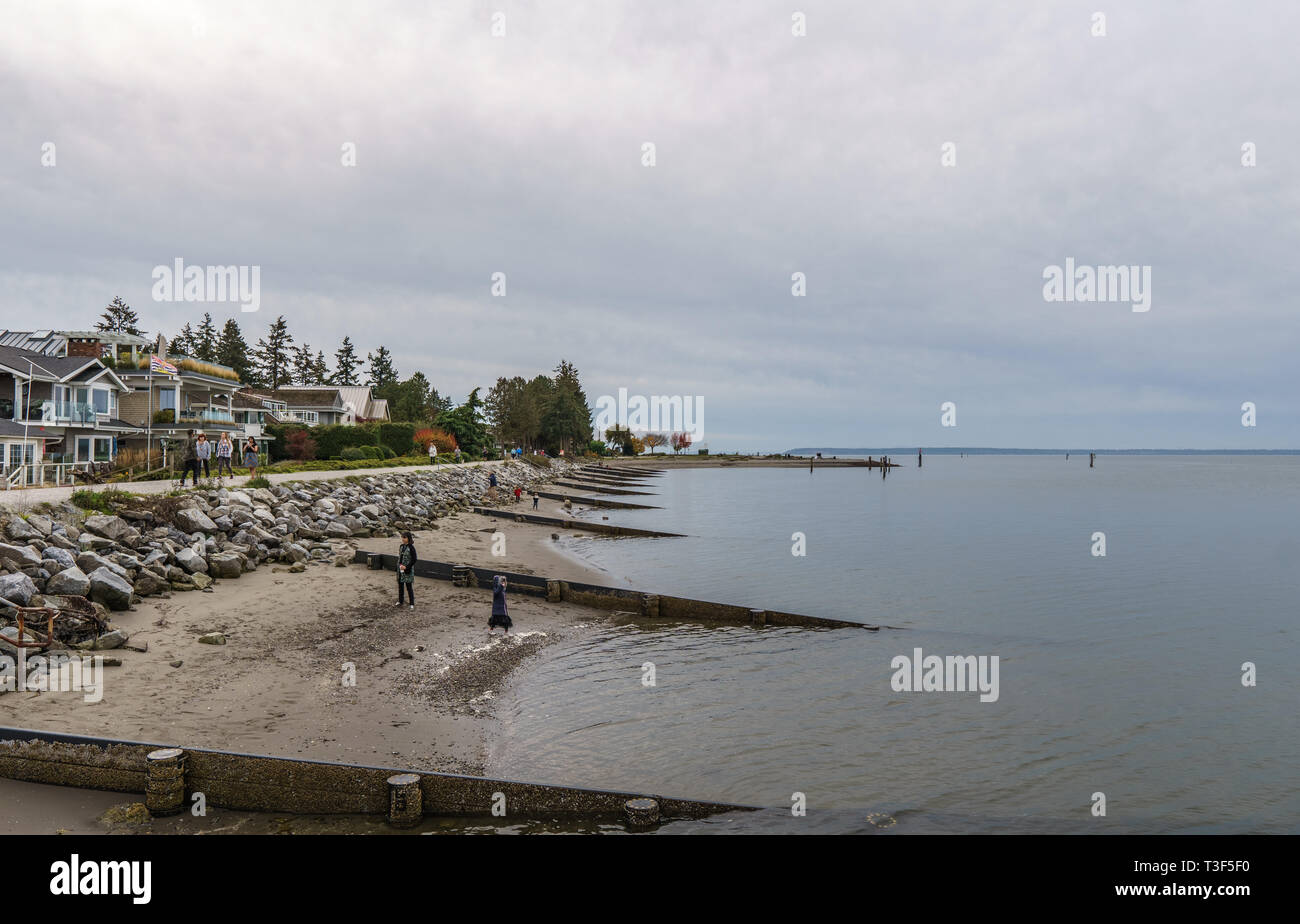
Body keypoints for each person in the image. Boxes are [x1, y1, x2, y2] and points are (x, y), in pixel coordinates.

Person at [396, 532, 416, 608]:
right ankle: (400, 601)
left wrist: (406, 567)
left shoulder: (411, 547)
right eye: (402, 537)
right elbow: (400, 557)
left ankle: (412, 603)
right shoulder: (401, 546)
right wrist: (399, 565)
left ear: (409, 538)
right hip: (400, 569)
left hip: (408, 569)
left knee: (409, 587)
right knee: (400, 586)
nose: (403, 539)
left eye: (404, 537)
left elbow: (414, 559)